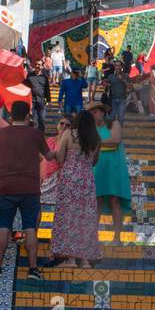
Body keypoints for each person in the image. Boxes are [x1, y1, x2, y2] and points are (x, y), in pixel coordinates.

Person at [0, 101, 57, 281]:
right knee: (30, 228)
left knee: (4, 226)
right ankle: (33, 269)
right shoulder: (35, 135)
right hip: (30, 188)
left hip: (6, 187)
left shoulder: (0, 134)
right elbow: (49, 156)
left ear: (11, 117)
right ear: (28, 116)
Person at [48, 109, 102, 268]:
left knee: (68, 218)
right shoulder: (96, 138)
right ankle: (84, 260)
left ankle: (70, 259)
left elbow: (59, 158)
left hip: (69, 180)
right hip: (87, 181)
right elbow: (94, 162)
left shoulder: (69, 134)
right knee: (85, 219)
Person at [88, 100, 131, 246]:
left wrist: (94, 141)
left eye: (95, 112)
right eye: (91, 113)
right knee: (97, 202)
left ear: (102, 112)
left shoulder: (114, 124)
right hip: (97, 166)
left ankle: (117, 238)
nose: (93, 115)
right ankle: (93, 238)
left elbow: (116, 140)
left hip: (114, 167)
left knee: (115, 200)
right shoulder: (90, 128)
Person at [26, 58, 51, 130]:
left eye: (39, 65)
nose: (37, 66)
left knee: (41, 120)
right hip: (32, 101)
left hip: (41, 101)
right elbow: (25, 87)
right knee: (31, 120)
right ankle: (29, 136)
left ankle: (41, 137)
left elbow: (47, 90)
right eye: (36, 64)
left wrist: (49, 101)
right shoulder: (30, 75)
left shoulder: (45, 77)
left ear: (42, 66)